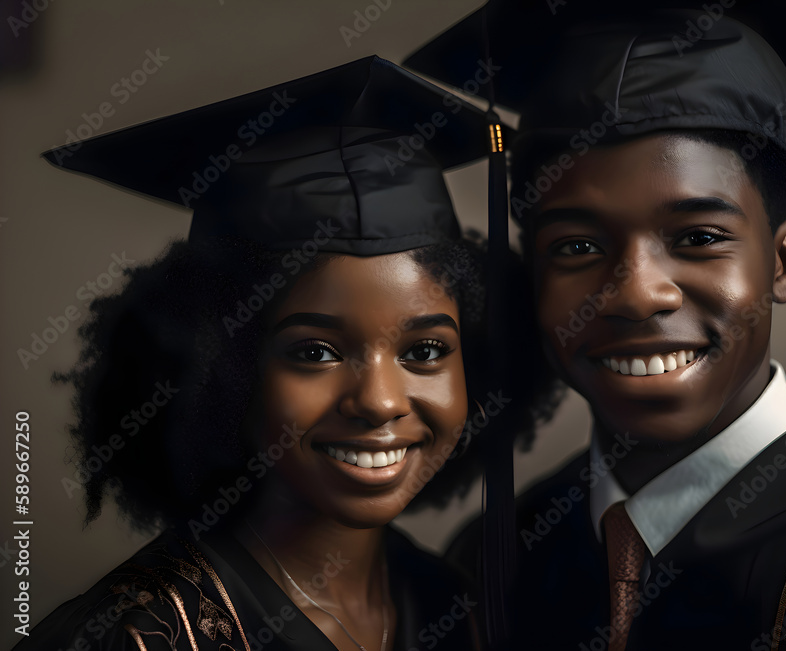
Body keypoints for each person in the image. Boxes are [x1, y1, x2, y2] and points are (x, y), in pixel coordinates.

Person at [404, 0, 786, 649]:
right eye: (576, 247)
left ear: (784, 260)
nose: (636, 295)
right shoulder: (499, 558)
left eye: (698, 238)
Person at [15, 55, 494, 651]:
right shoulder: (139, 636)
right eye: (315, 352)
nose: (379, 401)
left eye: (424, 350)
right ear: (221, 371)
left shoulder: (451, 603)